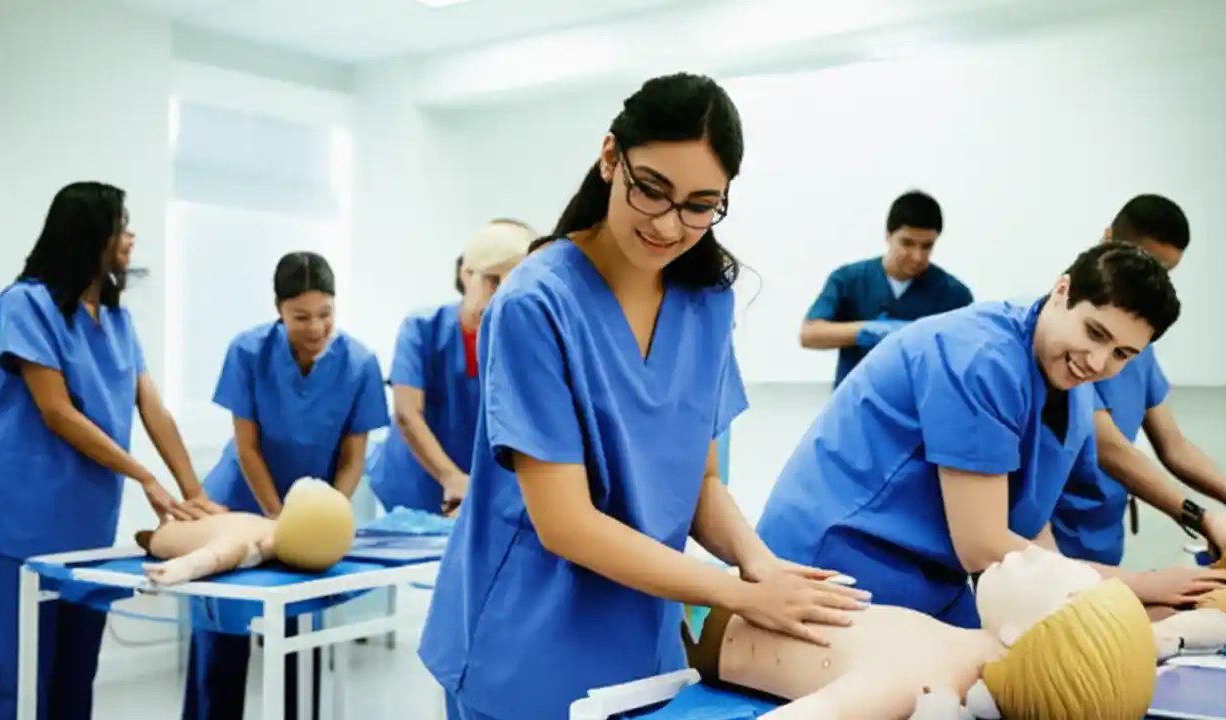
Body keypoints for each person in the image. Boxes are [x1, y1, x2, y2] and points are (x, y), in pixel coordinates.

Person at [417, 72, 869, 720]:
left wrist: (760, 565)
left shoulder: (706, 301)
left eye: (699, 205)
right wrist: (736, 595)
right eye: (652, 190)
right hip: (523, 644)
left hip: (641, 646)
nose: (668, 223)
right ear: (610, 158)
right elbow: (564, 523)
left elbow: (700, 484)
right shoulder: (534, 304)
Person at [757, 241, 1226, 629]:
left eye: (1123, 354)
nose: (1097, 362)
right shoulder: (980, 359)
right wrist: (1137, 583)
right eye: (1094, 332)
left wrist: (1099, 601)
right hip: (831, 566)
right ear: (1062, 290)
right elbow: (982, 544)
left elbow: (1033, 529)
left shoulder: (1071, 383)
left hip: (928, 583)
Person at [0, 181, 221, 720]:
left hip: (84, 522)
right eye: (121, 225)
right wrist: (144, 477)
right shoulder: (24, 304)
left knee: (74, 677)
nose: (130, 237)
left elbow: (152, 408)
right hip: (15, 519)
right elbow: (56, 411)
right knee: (17, 682)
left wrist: (194, 492)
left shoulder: (118, 321)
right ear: (91, 235)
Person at [182, 251, 389, 720]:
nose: (315, 328)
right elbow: (247, 447)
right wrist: (277, 515)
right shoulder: (248, 351)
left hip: (307, 516)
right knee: (222, 644)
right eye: (301, 317)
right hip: (239, 503)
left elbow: (354, 458)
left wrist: (323, 519)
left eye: (325, 314)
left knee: (301, 642)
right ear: (278, 310)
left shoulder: (358, 362)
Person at [680, 545, 1226, 720]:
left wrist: (739, 589)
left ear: (1022, 632)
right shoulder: (969, 649)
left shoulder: (909, 683)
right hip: (752, 587)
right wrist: (1169, 633)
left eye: (1046, 570)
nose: (1035, 552)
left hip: (716, 619)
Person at [1052, 194, 1226, 565]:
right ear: (1107, 240)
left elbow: (1173, 444)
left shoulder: (1137, 350)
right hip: (1050, 538)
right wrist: (1204, 520)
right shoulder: (1066, 338)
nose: (1151, 282)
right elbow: (1108, 447)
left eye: (1164, 272)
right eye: (1143, 263)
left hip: (1102, 534)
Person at [368, 219, 535, 516]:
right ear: (466, 273)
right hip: (415, 483)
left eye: (514, 284)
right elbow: (407, 414)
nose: (501, 295)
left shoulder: (523, 341)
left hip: (480, 489)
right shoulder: (422, 329)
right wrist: (451, 478)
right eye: (493, 280)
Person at [799, 191, 973, 387]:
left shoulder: (953, 294)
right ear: (888, 235)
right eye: (907, 243)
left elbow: (964, 357)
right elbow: (809, 334)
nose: (917, 256)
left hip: (915, 409)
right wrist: (868, 330)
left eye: (927, 246)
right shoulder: (848, 279)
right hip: (855, 403)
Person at [139, 477, 354, 586]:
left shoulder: (254, 540)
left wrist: (185, 567)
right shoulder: (273, 539)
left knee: (155, 538)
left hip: (172, 531)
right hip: (198, 521)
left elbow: (220, 554)